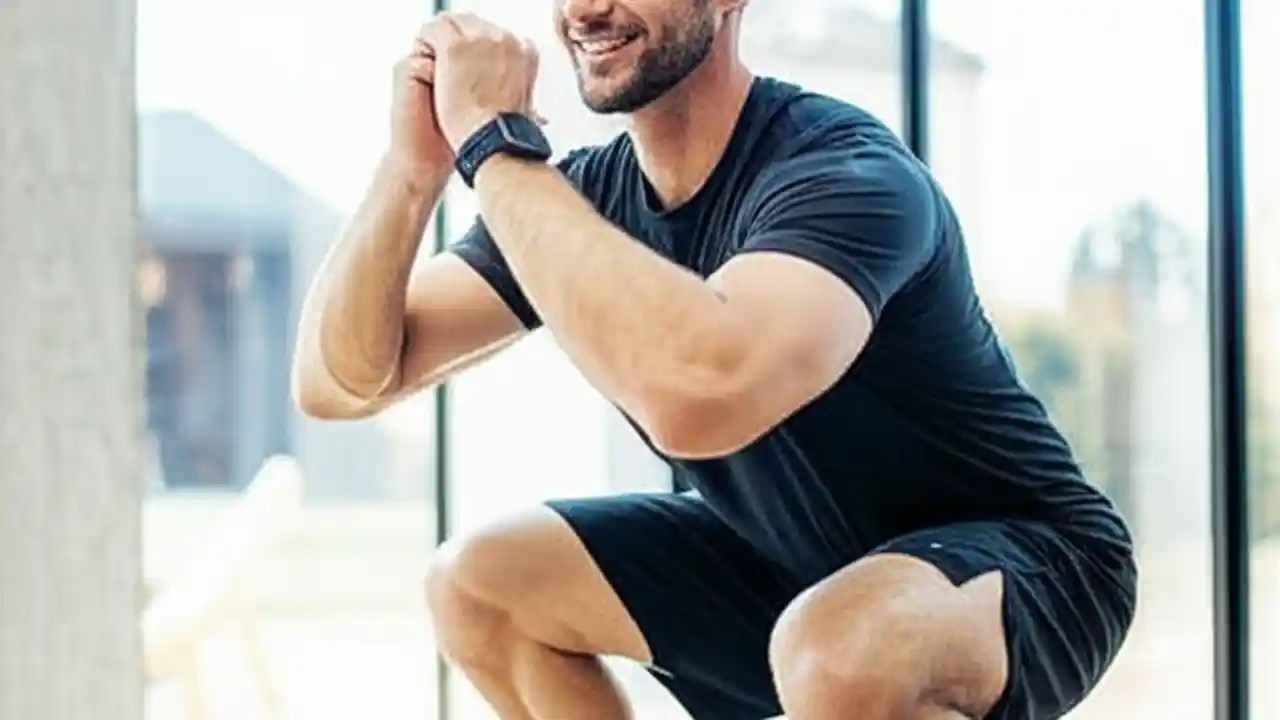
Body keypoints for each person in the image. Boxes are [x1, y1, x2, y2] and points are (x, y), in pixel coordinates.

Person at [291, 1, 1138, 718]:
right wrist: (411, 173)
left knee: (839, 649)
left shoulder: (842, 171)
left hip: (1026, 556)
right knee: (479, 583)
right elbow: (342, 381)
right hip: (783, 556)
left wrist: (493, 149)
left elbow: (701, 393)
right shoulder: (579, 201)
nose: (586, 6)